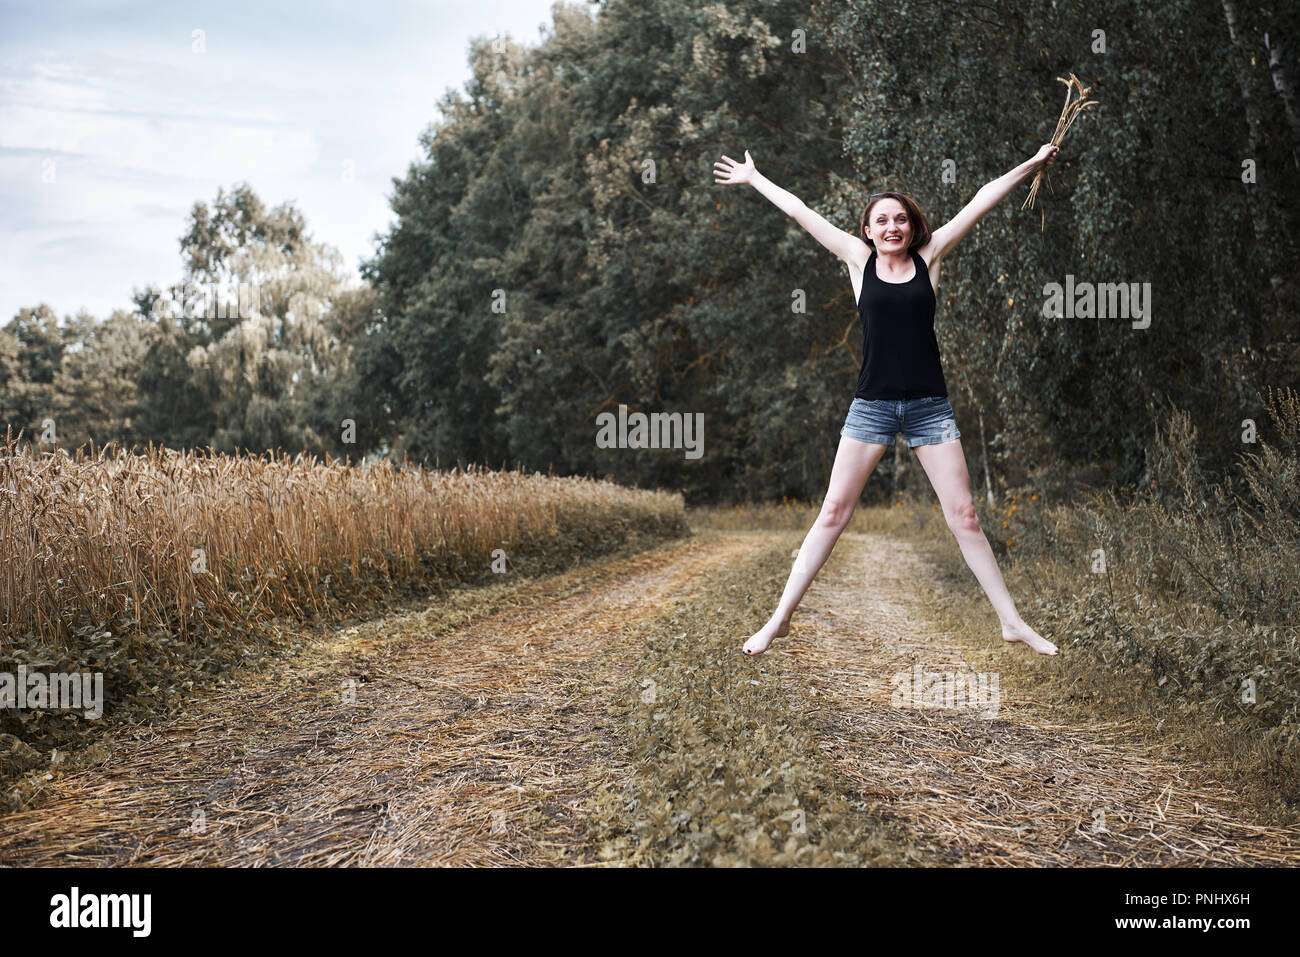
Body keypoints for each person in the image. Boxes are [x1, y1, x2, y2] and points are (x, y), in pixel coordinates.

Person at [712, 144, 1061, 657]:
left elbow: (982, 200)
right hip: (872, 405)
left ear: (911, 226)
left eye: (900, 218)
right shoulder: (858, 260)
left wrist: (1031, 163)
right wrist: (755, 178)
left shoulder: (930, 256)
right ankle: (778, 620)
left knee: (964, 516)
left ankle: (1012, 623)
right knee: (833, 511)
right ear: (868, 230)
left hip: (928, 406)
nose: (892, 226)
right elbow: (801, 211)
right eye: (882, 220)